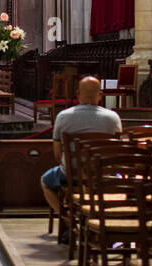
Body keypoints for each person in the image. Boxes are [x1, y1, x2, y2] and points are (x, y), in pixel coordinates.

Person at [41, 76, 122, 236]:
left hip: (72, 175)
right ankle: (105, 223)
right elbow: (116, 152)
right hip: (104, 176)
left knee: (45, 181)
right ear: (100, 95)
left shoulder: (64, 116)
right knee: (122, 178)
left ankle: (69, 220)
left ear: (78, 94)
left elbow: (57, 154)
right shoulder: (113, 118)